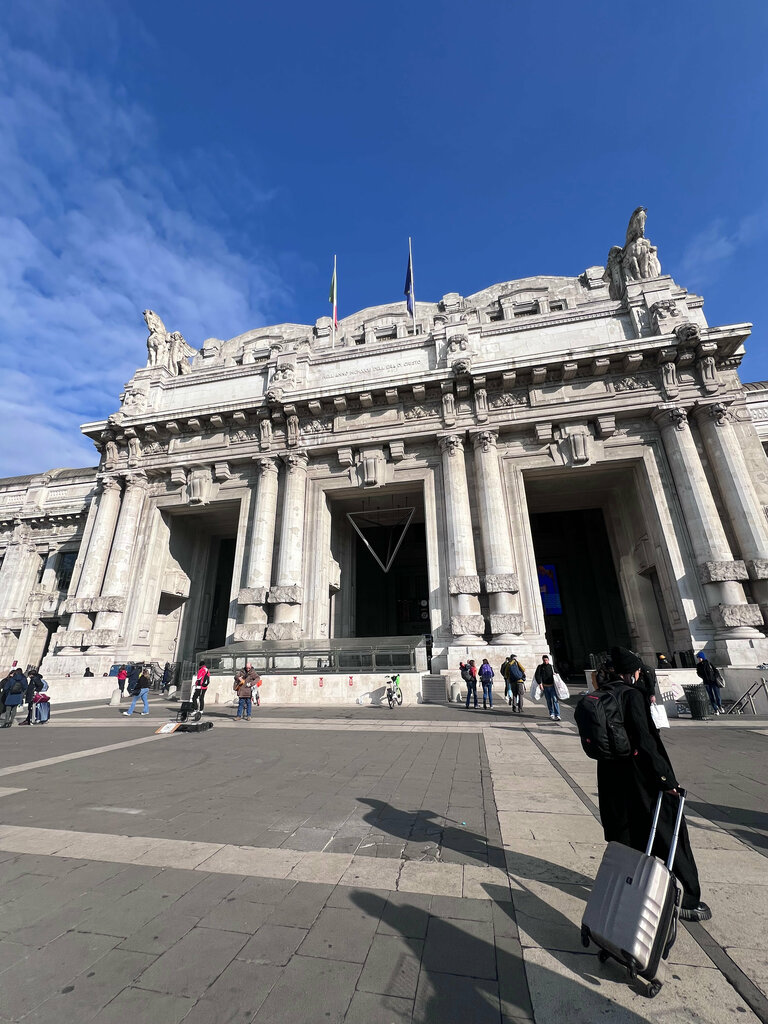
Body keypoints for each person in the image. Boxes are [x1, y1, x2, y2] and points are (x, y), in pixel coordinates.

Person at [596, 646, 711, 922]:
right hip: (642, 778)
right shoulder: (631, 696)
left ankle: (624, 888)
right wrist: (666, 780)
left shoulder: (602, 695)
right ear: (632, 673)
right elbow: (646, 742)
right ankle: (690, 899)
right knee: (669, 833)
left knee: (626, 836)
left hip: (612, 778)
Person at [534, 654, 560, 721]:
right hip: (545, 687)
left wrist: (556, 674)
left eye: (546, 660)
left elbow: (557, 673)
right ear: (543, 660)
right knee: (548, 701)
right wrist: (540, 684)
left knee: (555, 700)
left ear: (548, 660)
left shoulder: (551, 667)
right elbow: (537, 675)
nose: (545, 661)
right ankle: (551, 713)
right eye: (544, 660)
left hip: (552, 686)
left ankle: (557, 714)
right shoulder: (540, 667)